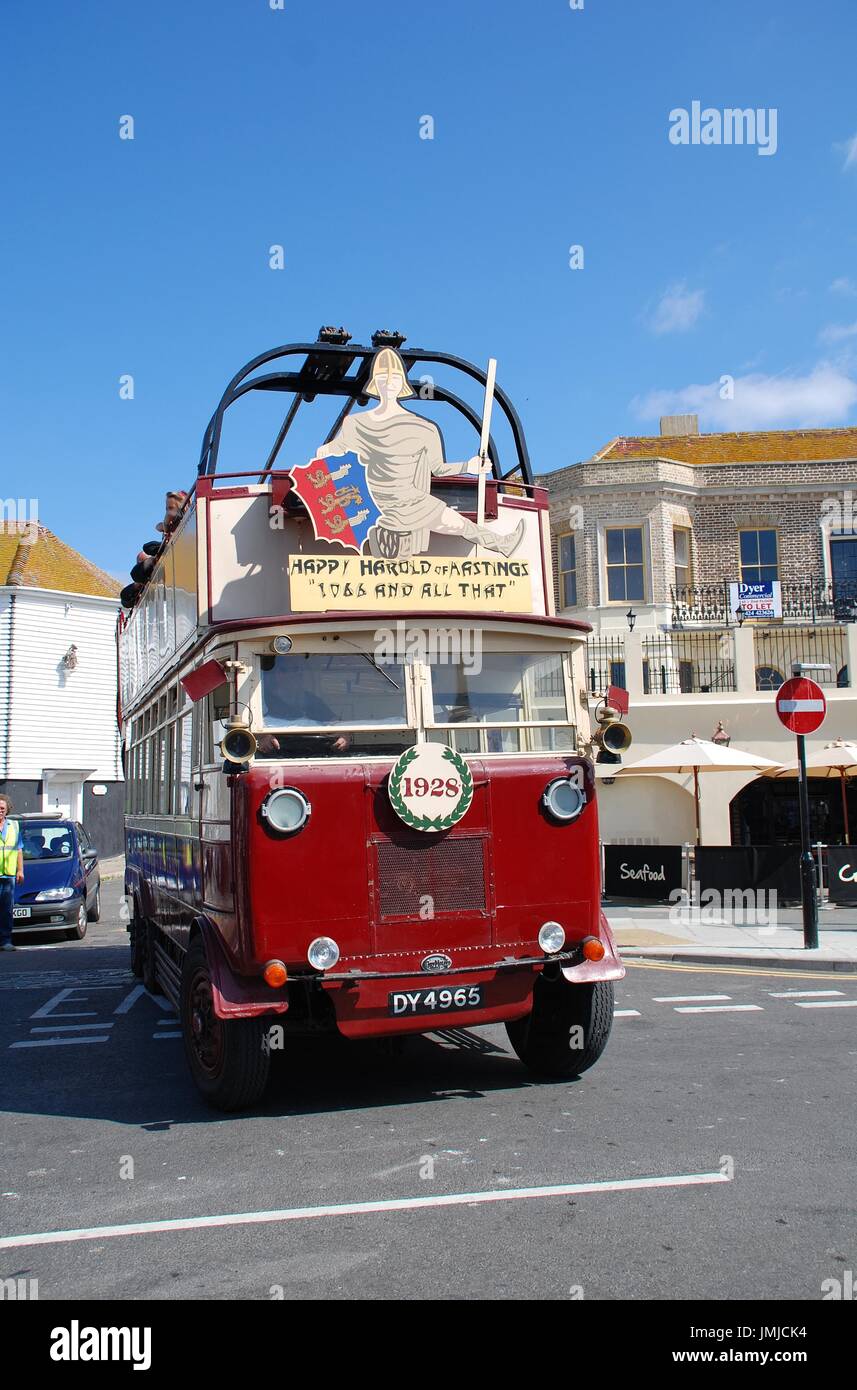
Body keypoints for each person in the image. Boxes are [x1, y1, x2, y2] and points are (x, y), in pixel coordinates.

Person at [315, 347, 524, 557]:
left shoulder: (424, 428)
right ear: (375, 382)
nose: (389, 382)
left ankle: (503, 544)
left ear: (401, 382)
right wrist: (324, 452)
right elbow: (332, 453)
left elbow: (438, 469)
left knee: (457, 523)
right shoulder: (355, 424)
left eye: (394, 376)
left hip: (411, 500)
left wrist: (468, 467)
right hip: (372, 502)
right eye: (382, 376)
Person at [0, 795, 24, 952]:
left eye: (2, 808)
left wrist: (20, 870)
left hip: (8, 876)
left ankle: (5, 941)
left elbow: (19, 849)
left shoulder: (14, 826)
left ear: (7, 809)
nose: (0, 811)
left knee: (6, 910)